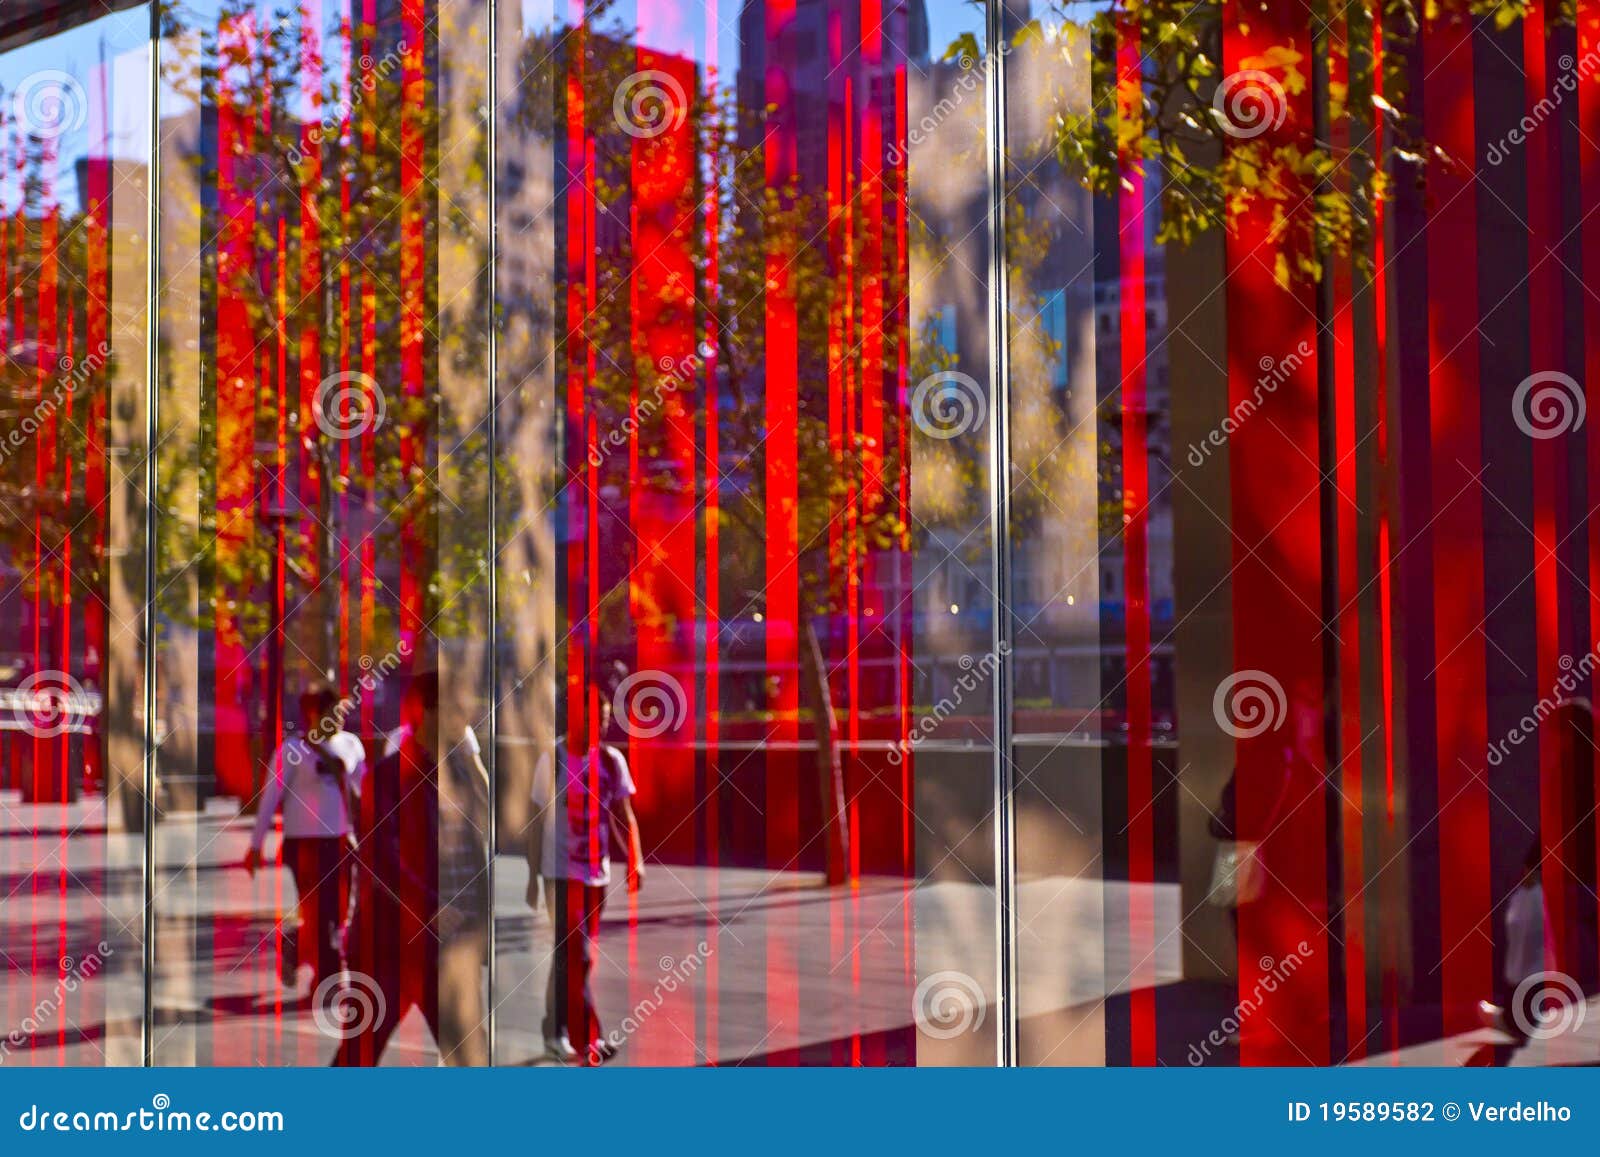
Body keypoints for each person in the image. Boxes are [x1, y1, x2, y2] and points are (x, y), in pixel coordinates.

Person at [333, 671, 489, 1066]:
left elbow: (473, 854)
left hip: (447, 945)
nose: (462, 717)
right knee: (360, 1052)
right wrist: (431, 907)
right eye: (453, 708)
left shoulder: (458, 776)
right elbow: (382, 859)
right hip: (391, 940)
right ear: (427, 713)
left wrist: (478, 925)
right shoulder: (385, 779)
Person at [528, 666, 645, 1064]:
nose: (602, 728)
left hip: (597, 875)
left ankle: (553, 1030)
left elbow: (624, 815)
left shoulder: (611, 762)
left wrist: (636, 861)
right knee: (574, 956)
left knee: (573, 959)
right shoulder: (554, 759)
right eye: (595, 720)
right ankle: (588, 1038)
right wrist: (531, 876)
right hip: (559, 875)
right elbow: (535, 821)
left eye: (606, 721)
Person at [244, 681, 366, 987]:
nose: (337, 717)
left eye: (338, 711)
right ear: (312, 714)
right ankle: (327, 978)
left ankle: (293, 949)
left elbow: (365, 790)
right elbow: (270, 797)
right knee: (319, 911)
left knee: (339, 913)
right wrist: (255, 845)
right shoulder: (292, 751)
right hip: (305, 845)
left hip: (341, 842)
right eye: (329, 711)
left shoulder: (351, 745)